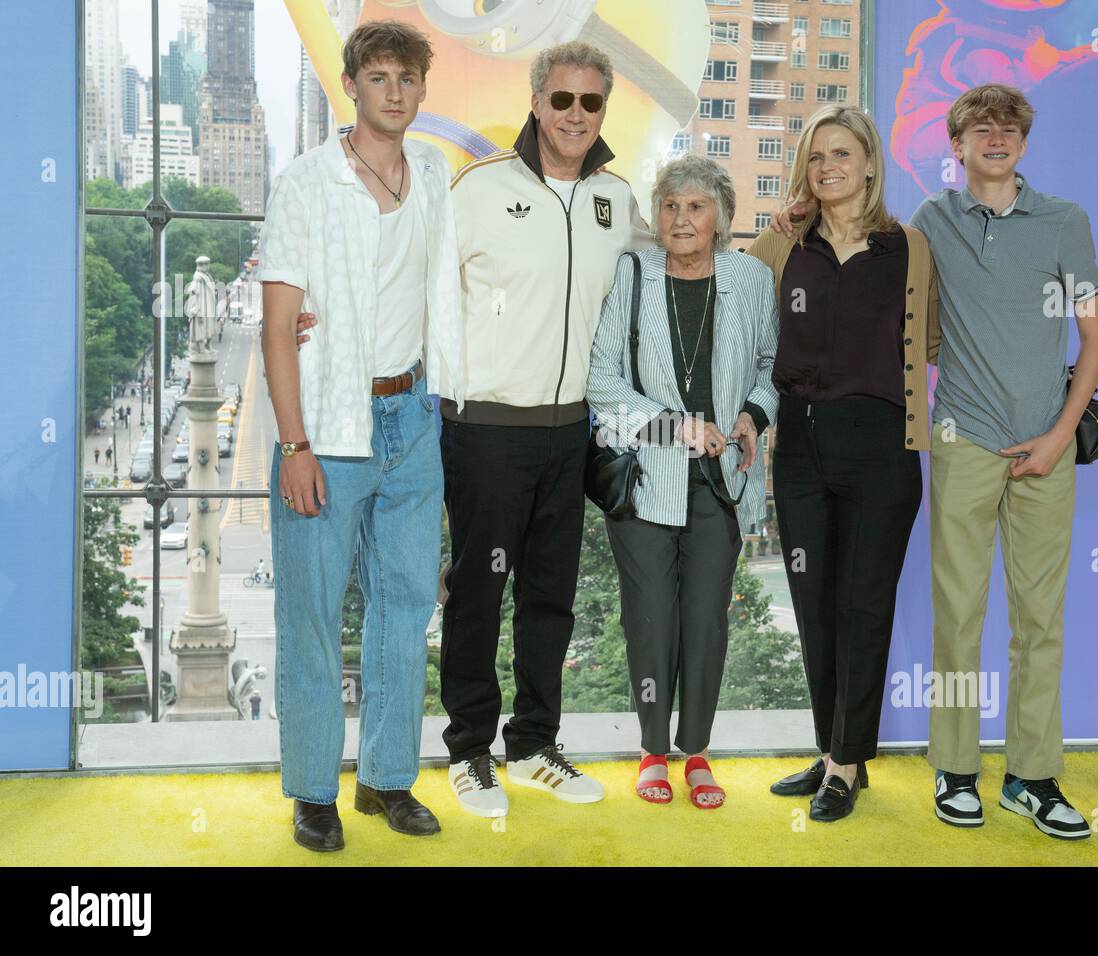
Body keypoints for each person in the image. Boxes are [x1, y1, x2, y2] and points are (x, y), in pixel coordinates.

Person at [426, 40, 651, 820]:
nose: (576, 115)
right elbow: (424, 293)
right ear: (535, 102)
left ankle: (533, 745)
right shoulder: (477, 190)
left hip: (570, 434)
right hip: (485, 430)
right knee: (479, 594)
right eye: (563, 100)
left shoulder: (617, 200)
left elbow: (668, 274)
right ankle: (468, 752)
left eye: (592, 102)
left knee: (551, 597)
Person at [256, 20, 461, 852]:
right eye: (379, 77)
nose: (396, 92)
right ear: (351, 85)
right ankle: (312, 792)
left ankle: (385, 779)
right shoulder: (305, 182)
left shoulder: (437, 173)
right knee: (309, 616)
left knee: (406, 608)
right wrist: (295, 445)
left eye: (408, 78)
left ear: (421, 87)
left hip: (412, 418)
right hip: (330, 427)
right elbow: (276, 328)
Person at [911, 84, 1098, 839]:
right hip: (963, 443)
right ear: (957, 144)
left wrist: (1061, 435)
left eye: (1009, 127)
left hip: (1045, 448)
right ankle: (955, 769)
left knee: (1040, 620)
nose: (996, 137)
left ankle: (1031, 777)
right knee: (958, 616)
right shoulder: (932, 221)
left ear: (1024, 142)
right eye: (980, 128)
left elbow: (1094, 340)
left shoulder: (1065, 222)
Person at [753, 106, 941, 822]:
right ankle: (833, 748)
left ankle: (846, 762)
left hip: (882, 447)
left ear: (869, 163)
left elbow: (929, 344)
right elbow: (740, 308)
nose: (827, 166)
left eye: (840, 153)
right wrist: (776, 225)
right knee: (815, 606)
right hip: (799, 444)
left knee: (863, 606)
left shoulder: (910, 249)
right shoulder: (784, 248)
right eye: (815, 156)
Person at [587, 155, 779, 809]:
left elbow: (772, 364)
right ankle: (651, 751)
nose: (681, 218)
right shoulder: (632, 274)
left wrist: (754, 415)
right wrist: (676, 428)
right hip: (646, 479)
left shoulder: (751, 279)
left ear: (721, 217)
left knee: (704, 623)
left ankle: (695, 752)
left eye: (696, 206)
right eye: (670, 206)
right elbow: (602, 381)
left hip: (722, 485)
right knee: (650, 620)